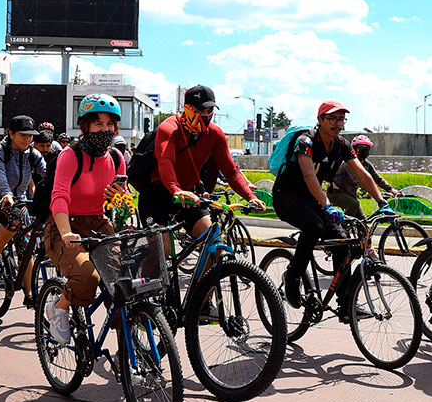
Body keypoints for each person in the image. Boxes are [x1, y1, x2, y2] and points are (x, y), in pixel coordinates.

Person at [270, 99, 392, 318]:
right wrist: (327, 205)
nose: (338, 123)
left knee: (343, 243)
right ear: (320, 120)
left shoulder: (341, 145)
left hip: (312, 199)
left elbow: (363, 174)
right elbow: (308, 174)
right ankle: (293, 276)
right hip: (287, 197)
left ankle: (346, 305)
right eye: (332, 118)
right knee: (314, 226)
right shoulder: (305, 141)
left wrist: (382, 202)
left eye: (341, 119)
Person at [44, 95, 129, 342]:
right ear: (85, 126)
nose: (106, 129)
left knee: (123, 280)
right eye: (98, 123)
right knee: (87, 275)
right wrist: (65, 232)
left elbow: (122, 198)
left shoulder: (116, 158)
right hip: (66, 224)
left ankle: (129, 340)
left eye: (110, 124)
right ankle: (58, 307)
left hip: (99, 221)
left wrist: (118, 199)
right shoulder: (70, 156)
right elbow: (59, 197)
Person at [137, 85, 265, 242]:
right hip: (156, 195)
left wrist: (250, 196)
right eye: (200, 111)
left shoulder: (215, 135)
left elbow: (230, 171)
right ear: (188, 109)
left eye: (209, 110)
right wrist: (176, 190)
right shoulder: (169, 128)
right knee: (161, 250)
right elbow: (166, 162)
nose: (206, 115)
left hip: (189, 197)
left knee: (215, 243)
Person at [0, 115, 47, 306]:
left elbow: (47, 173)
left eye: (30, 136)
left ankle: (30, 296)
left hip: (20, 202)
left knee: (28, 248)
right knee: (17, 218)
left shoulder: (32, 154)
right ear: (11, 134)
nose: (28, 139)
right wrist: (7, 194)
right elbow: (0, 176)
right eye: (23, 135)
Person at [327, 135, 397, 220]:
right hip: (336, 193)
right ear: (354, 149)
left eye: (366, 148)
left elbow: (378, 179)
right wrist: (377, 194)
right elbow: (360, 181)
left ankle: (359, 231)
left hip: (350, 195)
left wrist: (391, 190)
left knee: (362, 222)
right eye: (361, 148)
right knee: (354, 205)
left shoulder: (367, 165)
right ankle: (341, 229)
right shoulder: (348, 163)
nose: (364, 150)